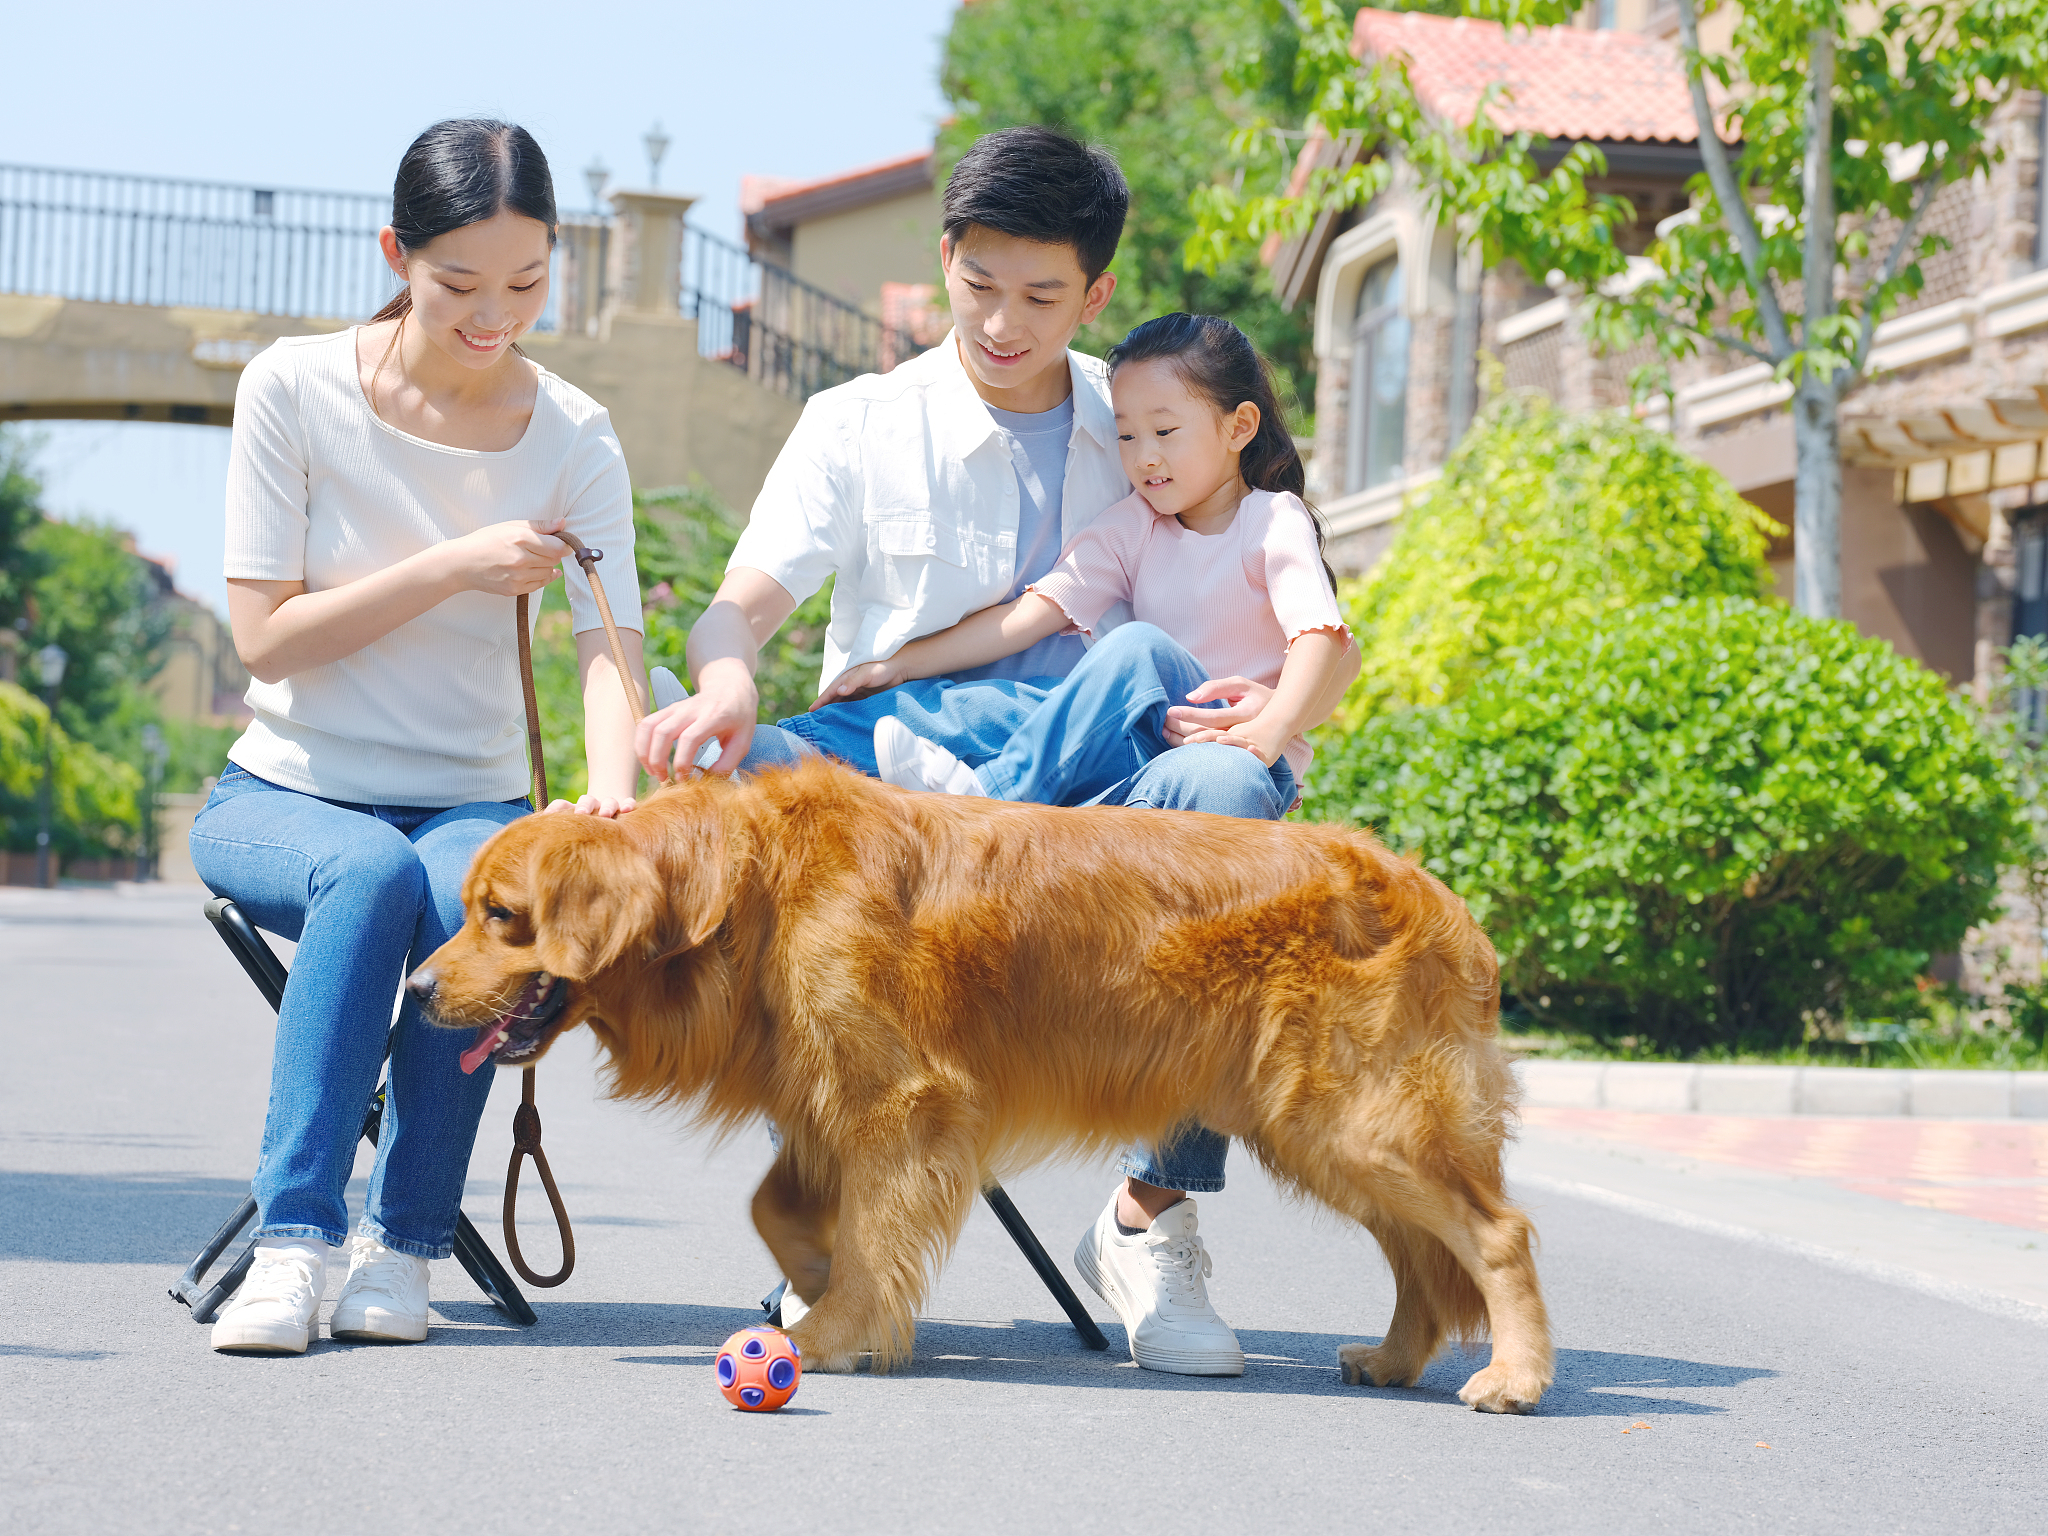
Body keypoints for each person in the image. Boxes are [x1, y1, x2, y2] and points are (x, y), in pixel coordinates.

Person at [635, 128, 1359, 1377]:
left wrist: (1265, 712)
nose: (1003, 324)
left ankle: (1148, 1218)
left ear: (1095, 295)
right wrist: (726, 678)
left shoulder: (1145, 411)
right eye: (979, 287)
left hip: (1099, 809)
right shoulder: (856, 422)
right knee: (722, 799)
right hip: (902, 785)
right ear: (945, 259)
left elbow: (1285, 617)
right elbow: (736, 607)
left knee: (1231, 802)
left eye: (1040, 297)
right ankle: (826, 1199)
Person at [192, 119, 645, 1356]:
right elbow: (266, 642)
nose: (494, 313)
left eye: (526, 281)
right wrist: (453, 565)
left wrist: (608, 796)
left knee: (474, 900)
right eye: (459, 284)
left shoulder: (575, 433)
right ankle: (292, 1246)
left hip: (474, 804)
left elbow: (608, 643)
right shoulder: (291, 386)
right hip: (284, 793)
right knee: (371, 873)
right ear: (397, 253)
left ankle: (405, 1246)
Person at [845, 313, 1350, 817]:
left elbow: (1319, 635)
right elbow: (1029, 616)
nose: (1144, 456)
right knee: (992, 704)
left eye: (1165, 430)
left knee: (1136, 647)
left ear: (1238, 426)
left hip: (1247, 742)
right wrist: (902, 663)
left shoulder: (1270, 518)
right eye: (1127, 437)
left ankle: (990, 793)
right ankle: (959, 782)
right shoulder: (1137, 525)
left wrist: (1273, 725)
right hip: (1152, 747)